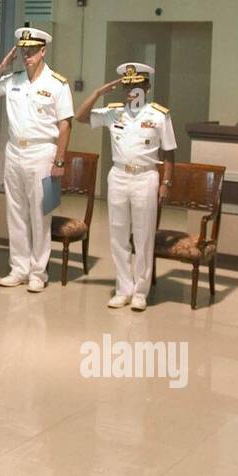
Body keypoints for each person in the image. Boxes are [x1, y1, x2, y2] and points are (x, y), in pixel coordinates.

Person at [0, 27, 71, 292]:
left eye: (32, 51)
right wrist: (2, 65)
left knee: (42, 214)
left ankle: (39, 272)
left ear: (43, 51)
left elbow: (65, 125)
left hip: (44, 153)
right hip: (14, 152)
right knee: (15, 212)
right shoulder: (13, 80)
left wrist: (59, 162)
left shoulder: (58, 84)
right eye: (23, 51)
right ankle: (19, 268)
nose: (27, 55)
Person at [75, 62, 175, 311]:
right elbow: (80, 117)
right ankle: (123, 287)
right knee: (118, 234)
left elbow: (170, 152)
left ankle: (140, 291)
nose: (132, 91)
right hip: (118, 175)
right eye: (128, 86)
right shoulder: (114, 112)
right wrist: (98, 94)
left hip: (146, 177)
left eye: (137, 86)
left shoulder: (159, 115)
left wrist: (166, 182)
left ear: (147, 87)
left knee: (143, 236)